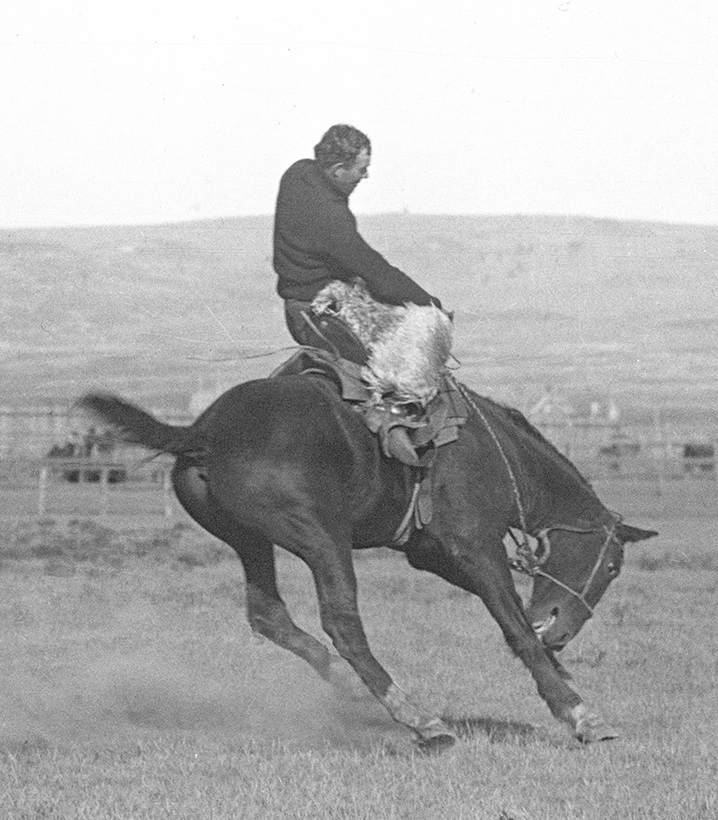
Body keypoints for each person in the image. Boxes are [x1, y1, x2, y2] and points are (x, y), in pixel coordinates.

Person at [273, 124, 443, 363]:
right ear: (338, 170)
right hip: (321, 314)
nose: (365, 176)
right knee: (391, 368)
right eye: (361, 169)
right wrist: (429, 304)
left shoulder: (298, 173)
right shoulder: (331, 216)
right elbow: (376, 272)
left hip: (297, 307)